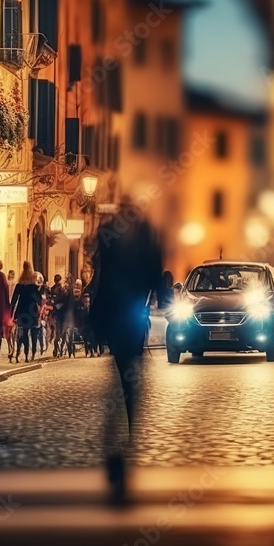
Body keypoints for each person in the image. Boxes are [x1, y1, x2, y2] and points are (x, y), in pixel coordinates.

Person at [89, 202, 164, 502]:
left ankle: (121, 442)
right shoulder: (142, 238)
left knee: (125, 376)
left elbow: (103, 276)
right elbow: (102, 275)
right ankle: (124, 439)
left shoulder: (130, 238)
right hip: (122, 313)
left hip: (123, 313)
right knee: (127, 377)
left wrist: (161, 294)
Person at [10, 262, 42, 363]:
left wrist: (11, 313)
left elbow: (14, 300)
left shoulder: (19, 285)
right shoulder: (33, 286)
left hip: (22, 310)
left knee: (24, 333)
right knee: (33, 332)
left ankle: (26, 355)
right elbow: (39, 300)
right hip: (32, 311)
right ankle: (33, 354)